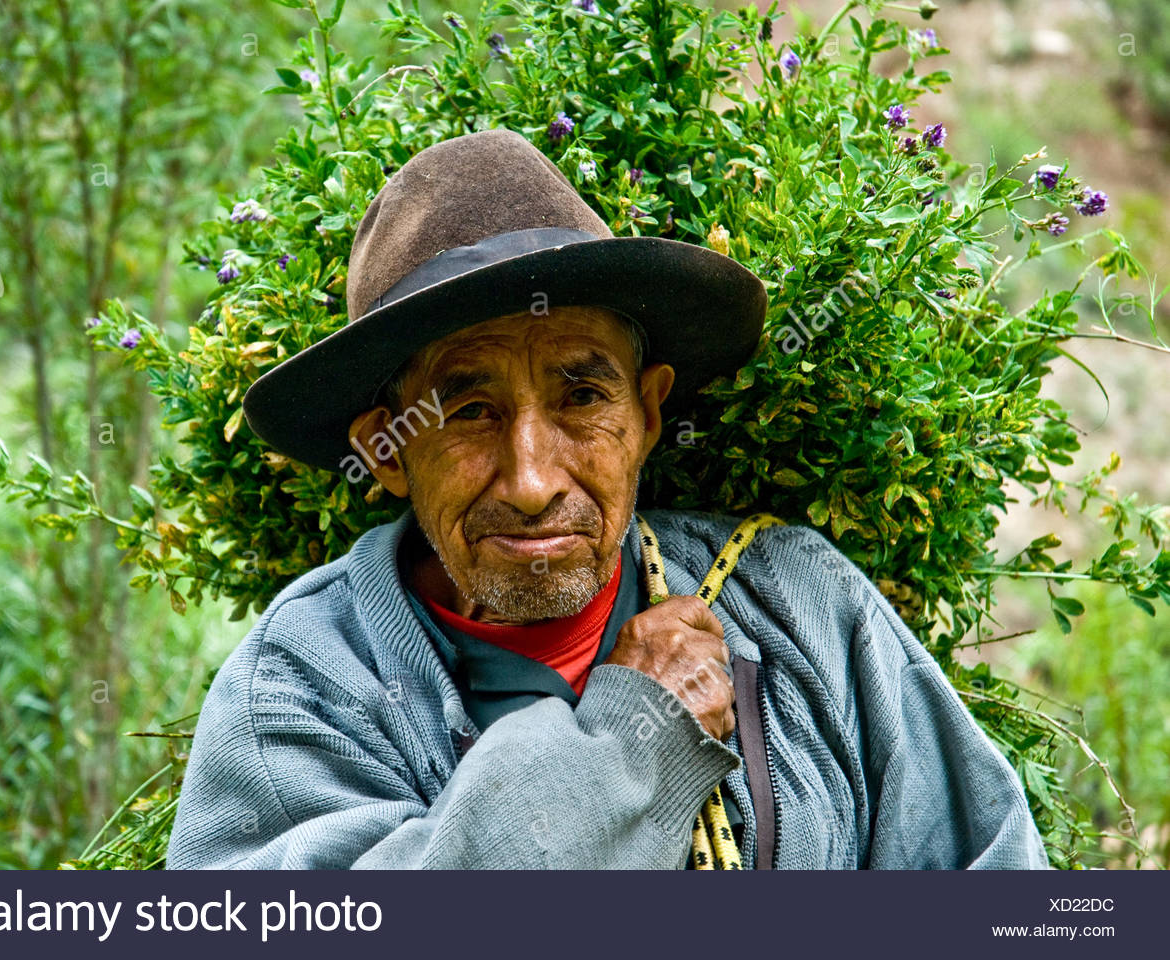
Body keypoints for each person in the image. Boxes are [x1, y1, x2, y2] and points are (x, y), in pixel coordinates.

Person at [165, 127, 1050, 869]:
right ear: (387, 451)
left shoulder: (802, 605)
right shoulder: (298, 689)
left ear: (649, 410)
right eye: (469, 411)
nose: (533, 478)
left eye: (582, 398)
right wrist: (634, 744)